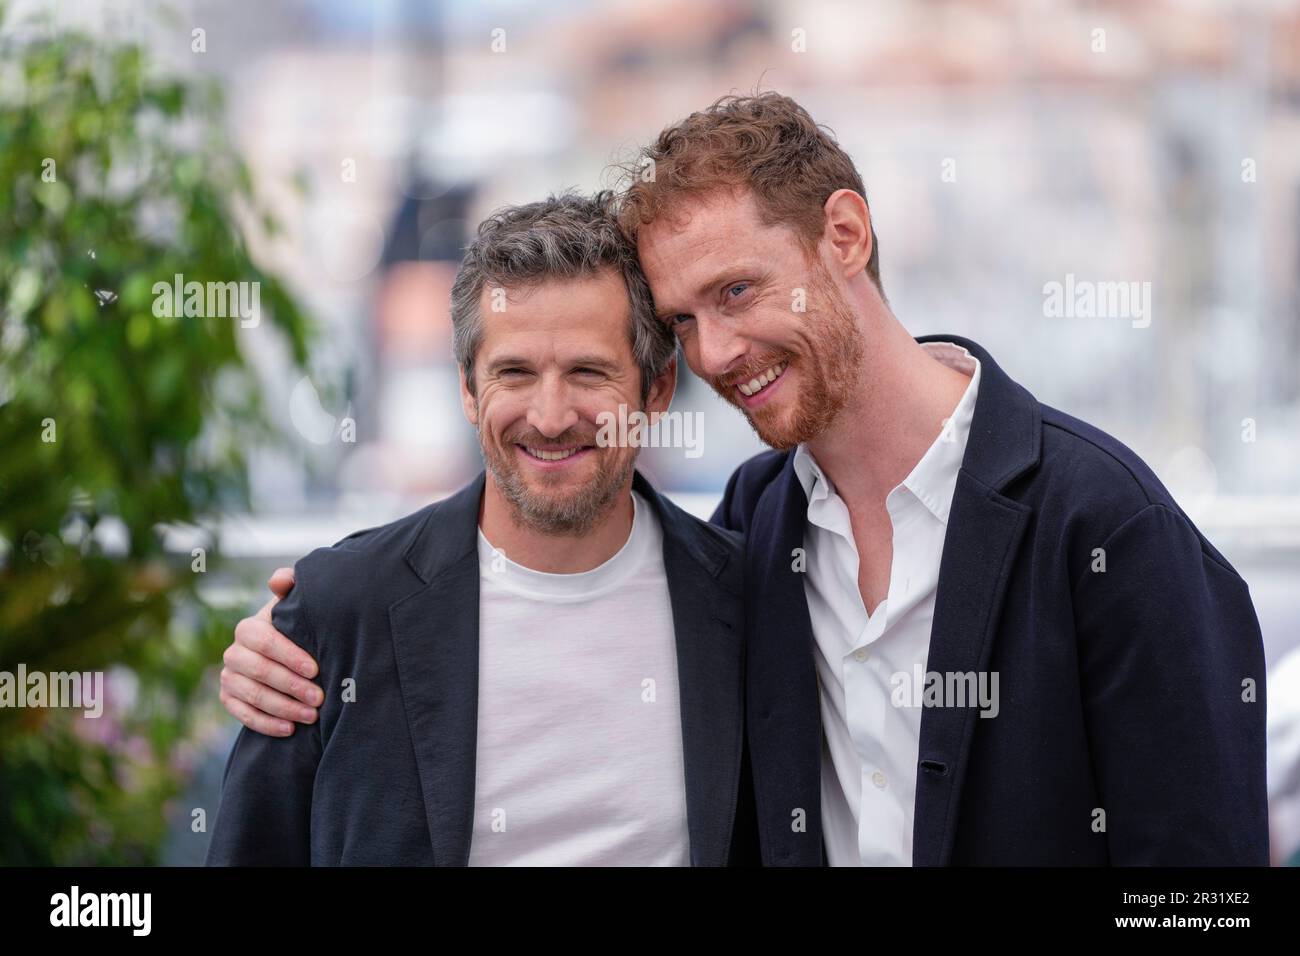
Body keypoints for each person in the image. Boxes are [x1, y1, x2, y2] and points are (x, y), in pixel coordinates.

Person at [221, 93, 1269, 866]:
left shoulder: (1102, 523)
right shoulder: (756, 532)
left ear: (844, 236)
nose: (719, 352)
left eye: (736, 290)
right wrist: (284, 641)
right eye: (684, 319)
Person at [207, 192, 756, 866]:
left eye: (587, 372)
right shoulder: (336, 613)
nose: (551, 417)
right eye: (514, 373)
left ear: (658, 389)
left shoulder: (751, 606)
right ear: (468, 389)